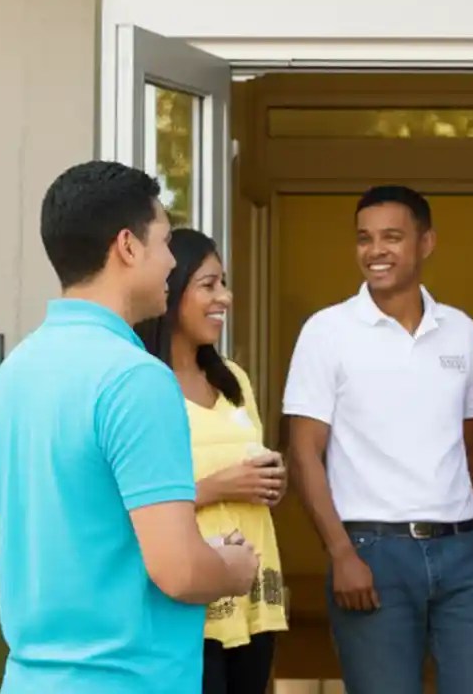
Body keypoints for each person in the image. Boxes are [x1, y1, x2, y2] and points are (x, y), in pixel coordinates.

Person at [0, 161, 260, 693]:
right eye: (165, 241)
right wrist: (231, 566)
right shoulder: (137, 379)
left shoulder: (13, 374)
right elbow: (179, 572)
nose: (171, 260)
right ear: (128, 247)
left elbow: (16, 545)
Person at [283, 185, 473, 694]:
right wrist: (341, 553)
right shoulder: (327, 331)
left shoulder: (461, 330)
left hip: (460, 553)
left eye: (392, 236)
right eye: (364, 238)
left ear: (426, 243)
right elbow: (303, 452)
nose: (376, 250)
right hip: (371, 552)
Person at [136, 228, 289, 694]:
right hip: (186, 594)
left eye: (223, 283)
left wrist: (269, 482)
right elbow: (134, 504)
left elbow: (252, 474)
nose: (225, 296)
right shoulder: (141, 384)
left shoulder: (234, 380)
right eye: (209, 284)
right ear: (173, 290)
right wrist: (221, 486)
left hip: (252, 590)